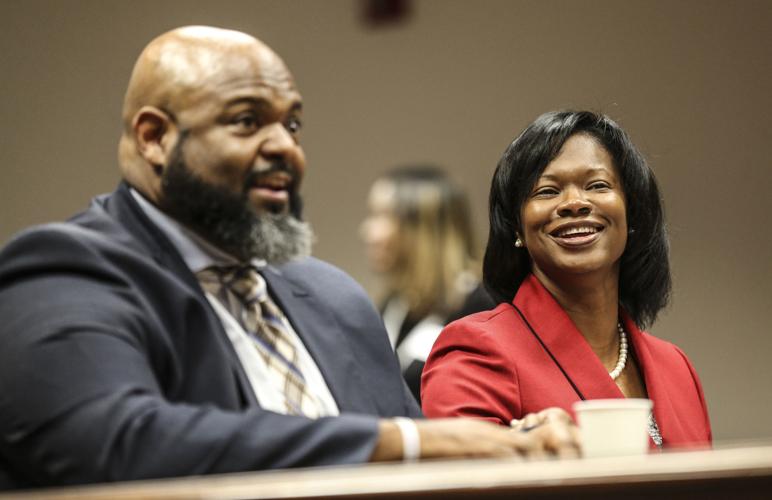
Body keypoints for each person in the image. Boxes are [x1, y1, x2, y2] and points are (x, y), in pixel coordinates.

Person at [0, 27, 579, 489]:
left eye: (292, 123)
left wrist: (513, 438)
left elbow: (429, 454)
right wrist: (400, 442)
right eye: (247, 121)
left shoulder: (333, 296)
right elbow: (115, 444)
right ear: (155, 138)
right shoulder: (64, 270)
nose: (285, 147)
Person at [422, 110, 712, 448]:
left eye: (598, 185)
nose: (574, 203)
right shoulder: (476, 352)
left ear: (632, 213)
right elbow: (462, 475)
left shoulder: (677, 367)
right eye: (547, 191)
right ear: (517, 226)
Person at [360, 166, 495, 402]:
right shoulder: (393, 306)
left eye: (381, 216)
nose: (367, 232)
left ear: (423, 229)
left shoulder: (483, 309)